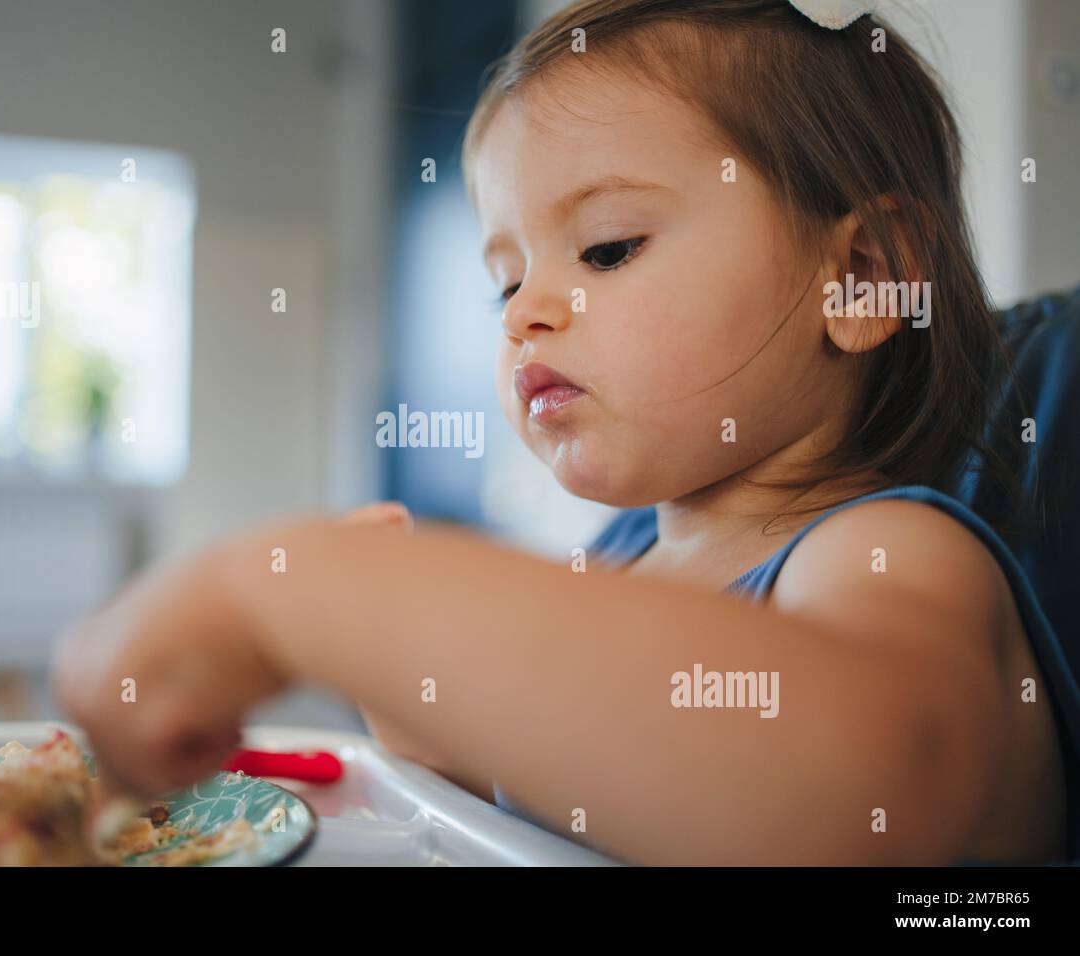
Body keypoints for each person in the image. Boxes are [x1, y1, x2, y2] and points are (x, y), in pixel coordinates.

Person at [53, 0, 1080, 865]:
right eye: (506, 276)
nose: (520, 312)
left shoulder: (890, 556)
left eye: (605, 247)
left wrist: (300, 589)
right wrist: (407, 684)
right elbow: (506, 815)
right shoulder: (614, 564)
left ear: (860, 276)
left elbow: (869, 785)